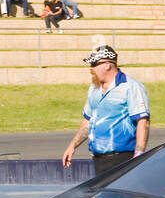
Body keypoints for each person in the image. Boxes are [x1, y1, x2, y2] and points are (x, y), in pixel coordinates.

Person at [63, 45, 151, 175]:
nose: (91, 68)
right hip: (98, 159)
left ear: (107, 65)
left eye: (94, 64)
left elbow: (143, 122)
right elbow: (87, 122)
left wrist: (138, 154)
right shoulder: (94, 89)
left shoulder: (130, 86)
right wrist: (72, 146)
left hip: (123, 158)